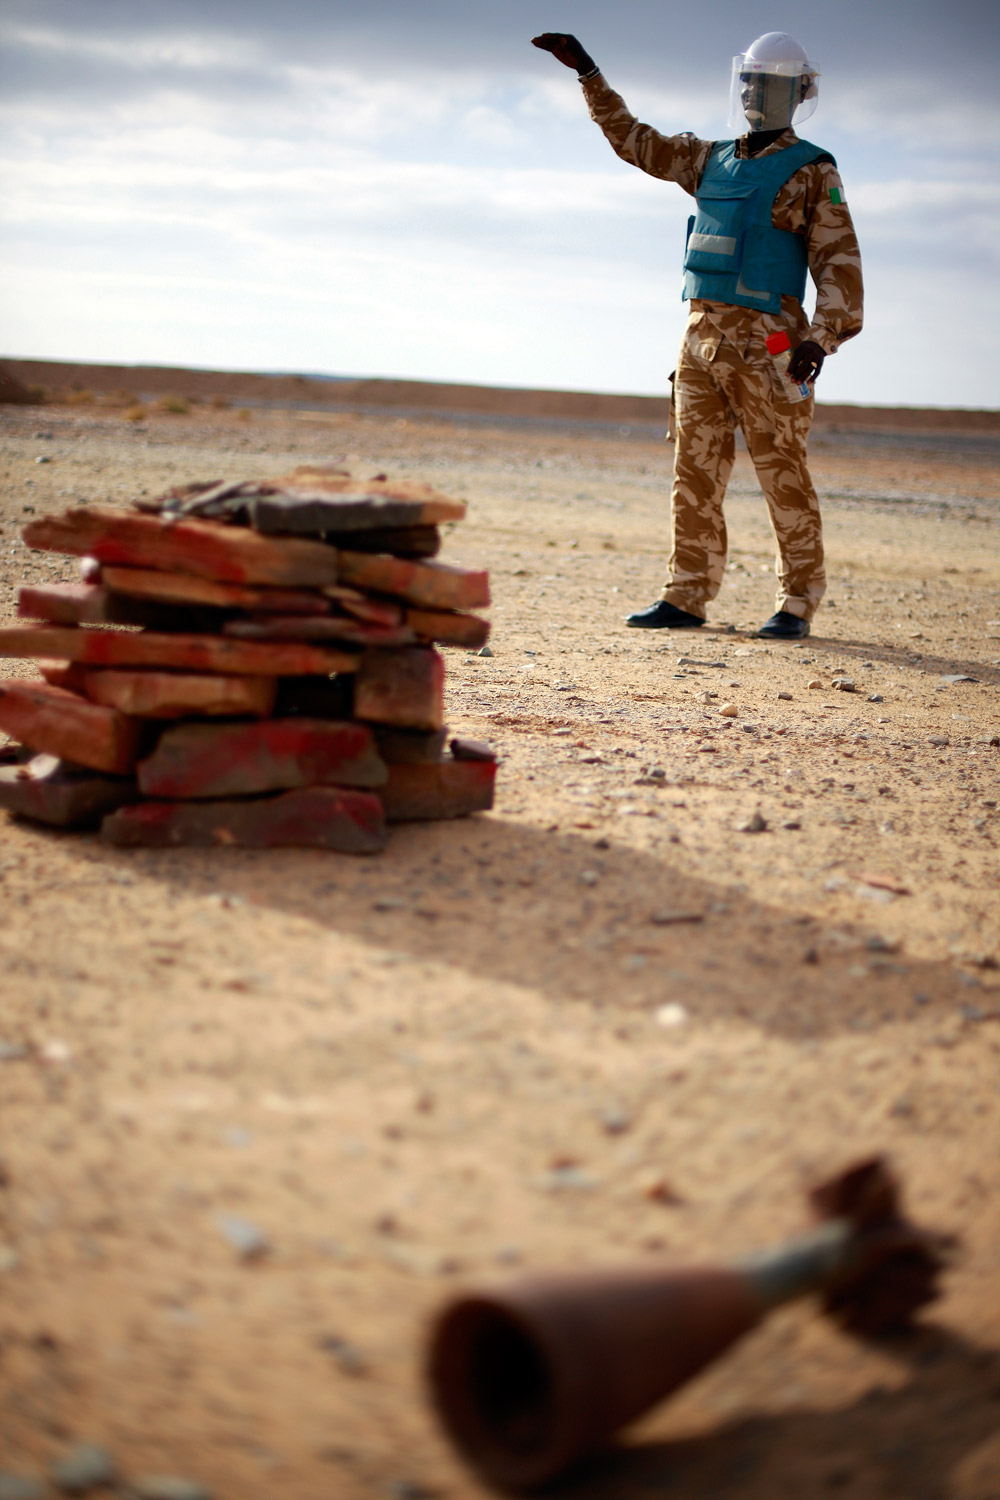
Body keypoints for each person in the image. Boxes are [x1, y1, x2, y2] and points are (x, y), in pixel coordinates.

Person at [531, 30, 863, 639]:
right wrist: (589, 74)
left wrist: (822, 337)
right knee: (695, 473)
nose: (755, 94)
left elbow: (839, 261)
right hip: (700, 341)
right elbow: (635, 142)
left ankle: (797, 603)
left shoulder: (814, 170)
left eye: (769, 85)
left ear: (799, 93)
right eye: (750, 82)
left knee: (783, 475)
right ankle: (686, 595)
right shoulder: (709, 158)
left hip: (772, 350)